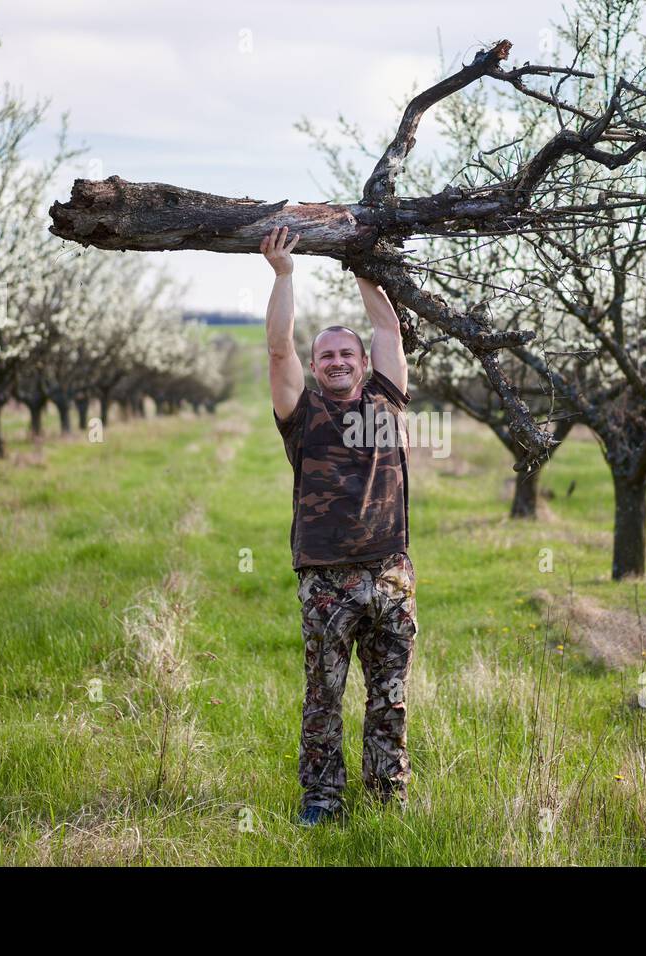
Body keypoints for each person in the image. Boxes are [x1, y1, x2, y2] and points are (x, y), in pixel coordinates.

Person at [260, 225, 418, 826]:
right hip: (326, 579)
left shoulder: (388, 398)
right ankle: (322, 802)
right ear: (317, 364)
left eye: (344, 353)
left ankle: (387, 799)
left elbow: (387, 328)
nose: (336, 362)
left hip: (391, 574)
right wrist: (283, 275)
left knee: (390, 698)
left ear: (360, 361)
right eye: (326, 354)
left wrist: (361, 263)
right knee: (324, 698)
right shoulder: (302, 414)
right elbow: (278, 351)